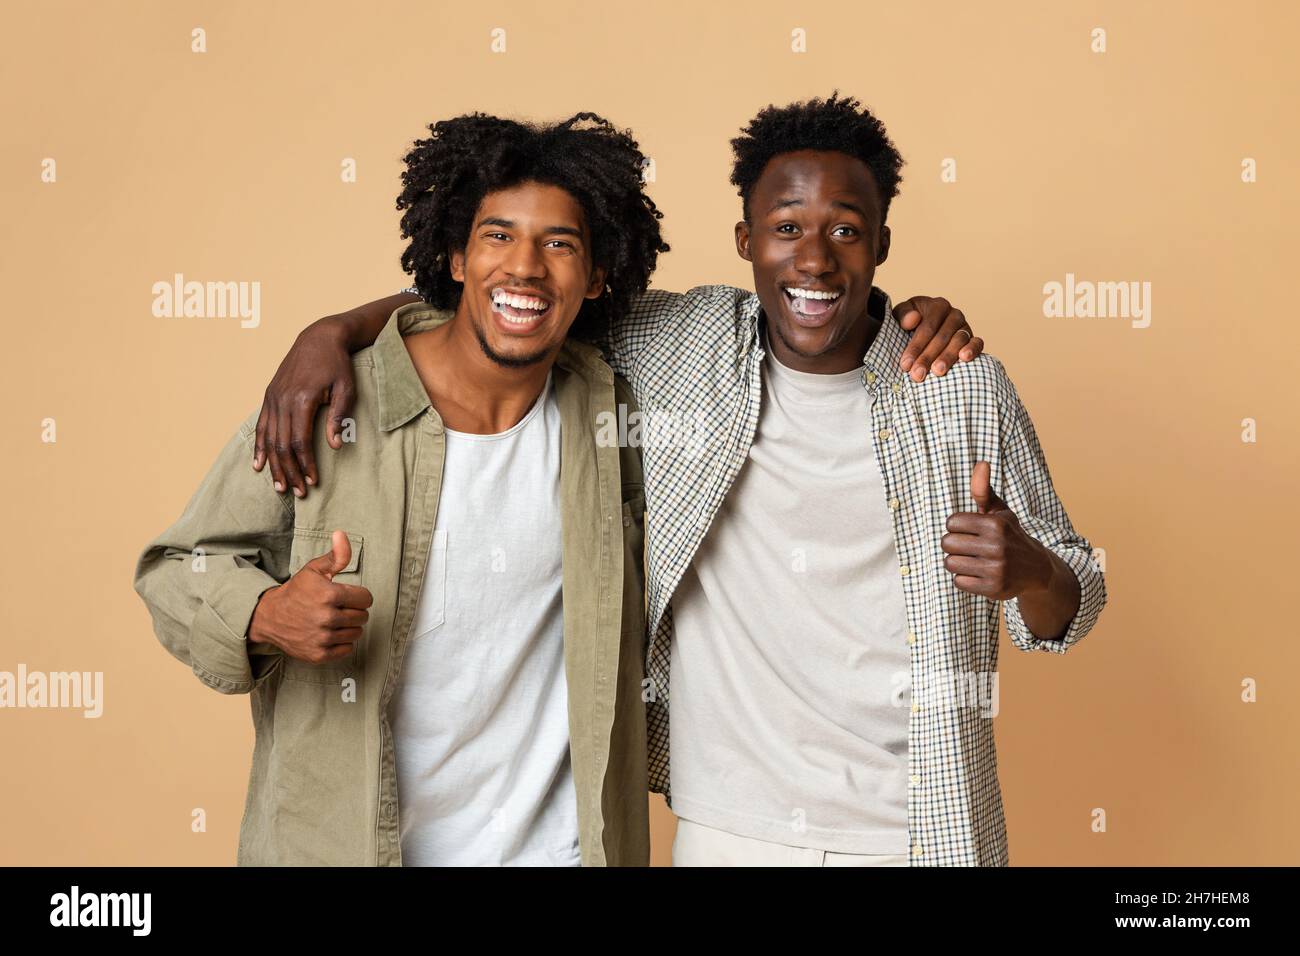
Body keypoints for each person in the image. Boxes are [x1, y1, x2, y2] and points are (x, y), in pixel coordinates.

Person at [253, 94, 1078, 867]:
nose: (816, 259)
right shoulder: (676, 344)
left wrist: (1032, 570)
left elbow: (1077, 603)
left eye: (847, 232)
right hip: (727, 832)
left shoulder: (961, 387)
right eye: (787, 227)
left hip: (921, 827)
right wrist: (335, 329)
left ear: (883, 244)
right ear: (746, 240)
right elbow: (516, 290)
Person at [133, 112, 665, 866]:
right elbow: (174, 566)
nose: (525, 267)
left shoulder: (612, 416)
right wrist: (263, 612)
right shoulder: (327, 404)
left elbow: (787, 325)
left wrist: (892, 320)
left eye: (560, 244)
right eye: (498, 236)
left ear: (599, 274)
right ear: (454, 256)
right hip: (345, 847)